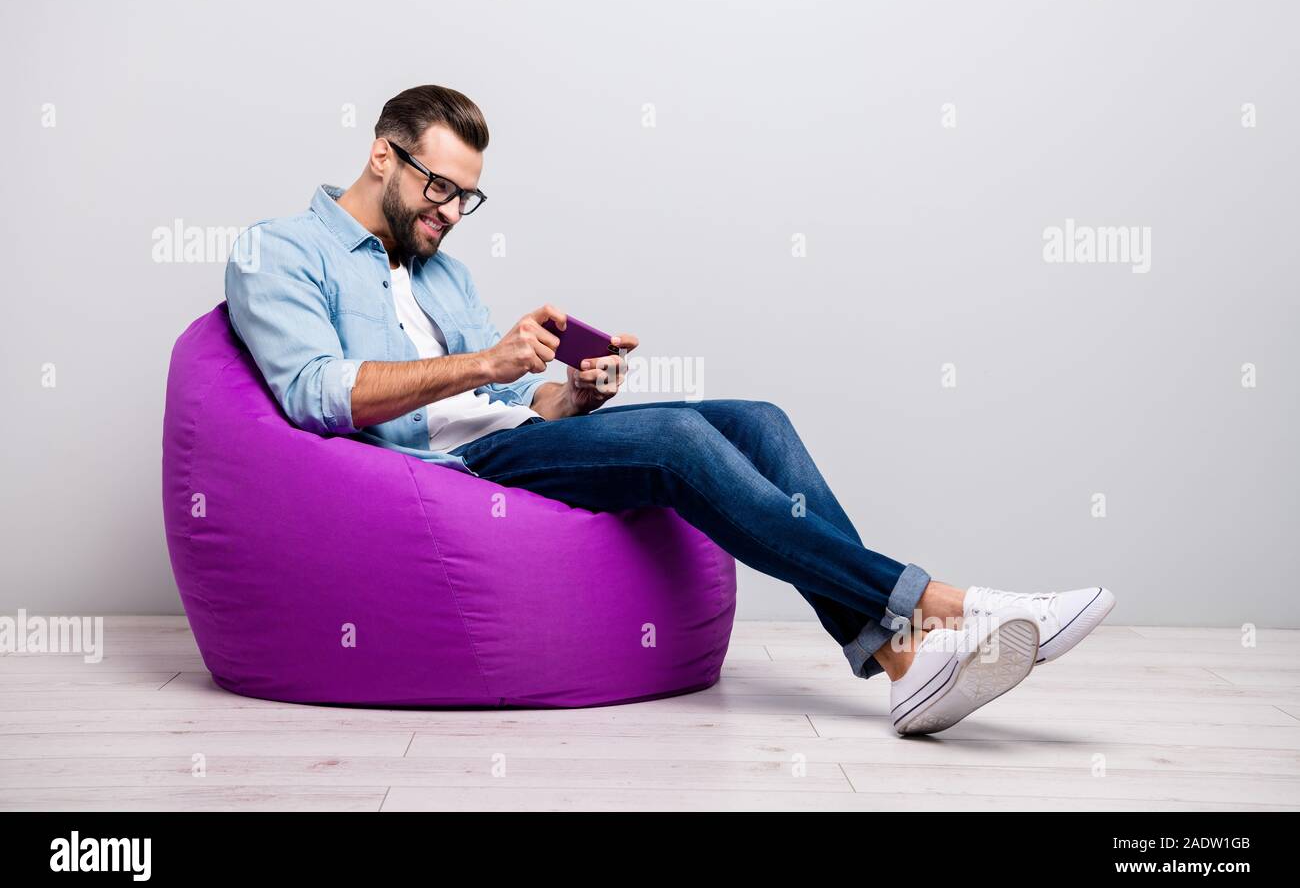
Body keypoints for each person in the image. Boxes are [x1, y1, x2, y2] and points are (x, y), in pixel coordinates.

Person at [224, 84, 1115, 736]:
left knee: (757, 417)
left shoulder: (443, 273)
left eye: (468, 196)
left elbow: (505, 399)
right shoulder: (282, 251)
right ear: (383, 153)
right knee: (681, 440)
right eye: (438, 187)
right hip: (445, 470)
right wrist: (484, 361)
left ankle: (904, 665)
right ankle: (951, 605)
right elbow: (315, 397)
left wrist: (569, 392)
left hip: (515, 441)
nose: (452, 212)